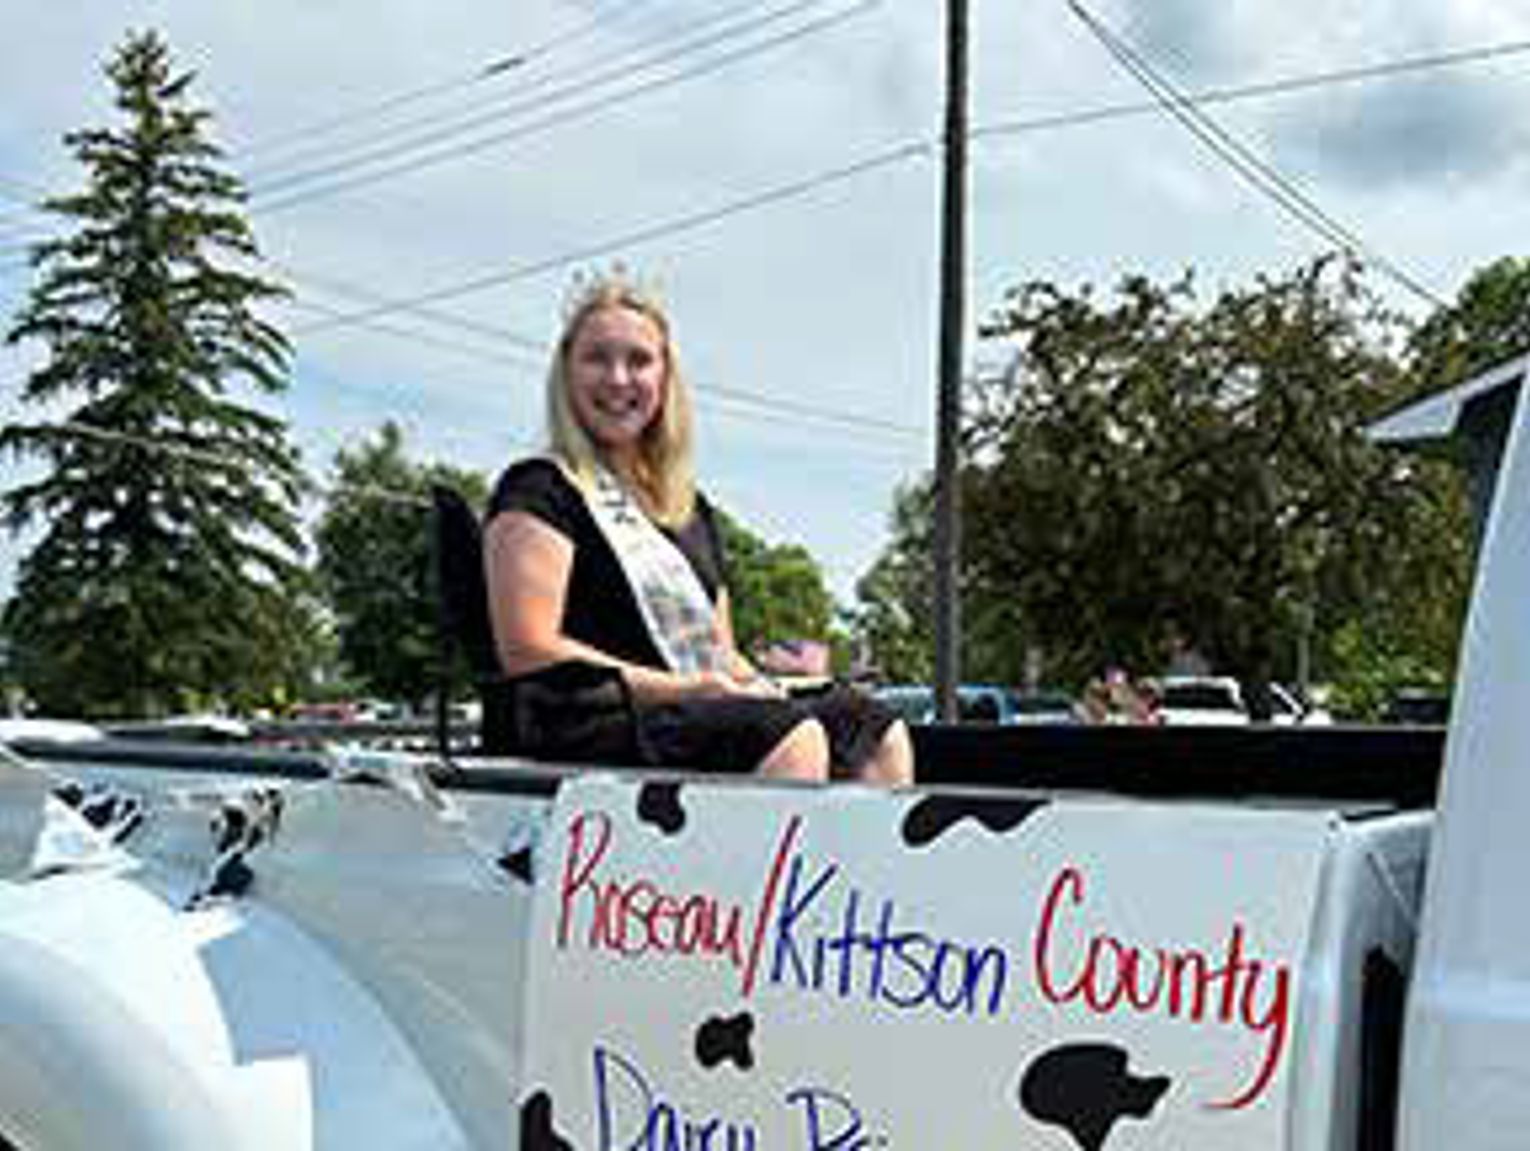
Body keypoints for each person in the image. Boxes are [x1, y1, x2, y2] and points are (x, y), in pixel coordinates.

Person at [481, 271, 913, 786]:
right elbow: (528, 648)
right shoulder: (541, 488)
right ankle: (761, 867)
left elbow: (719, 651)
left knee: (867, 723)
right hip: (589, 719)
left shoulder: (687, 509)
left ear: (664, 379)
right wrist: (688, 690)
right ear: (567, 373)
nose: (619, 379)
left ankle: (850, 867)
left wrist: (761, 683)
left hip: (690, 715)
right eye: (597, 358)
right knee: (784, 736)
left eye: (639, 360)